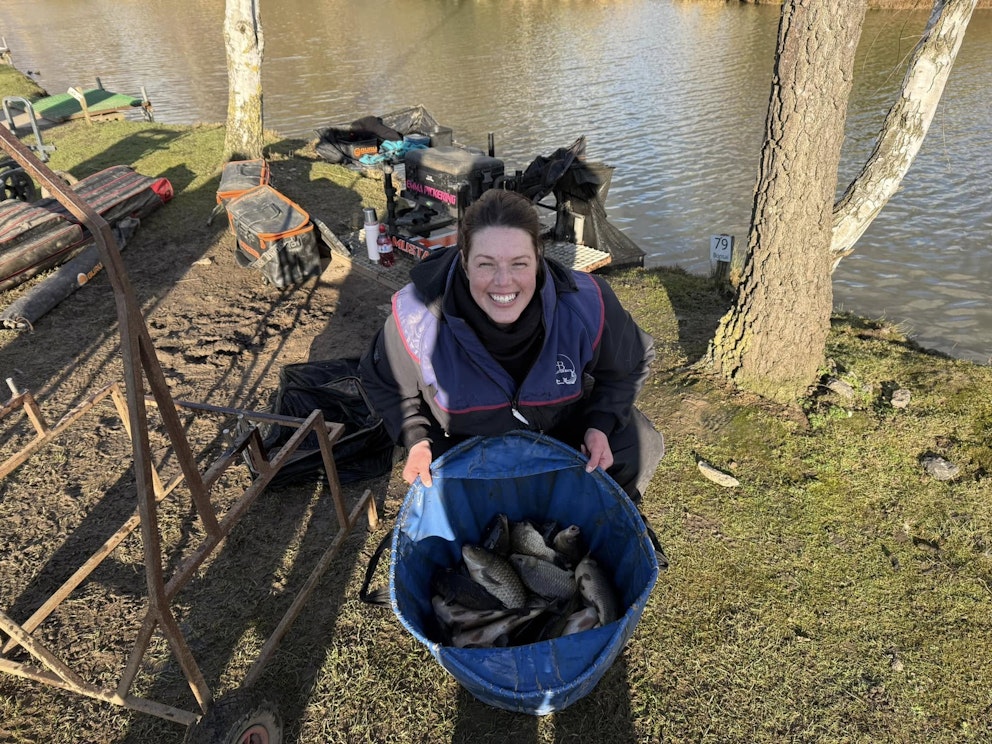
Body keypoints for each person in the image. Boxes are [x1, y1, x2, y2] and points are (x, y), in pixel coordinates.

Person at [358, 188, 664, 500]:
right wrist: (417, 438)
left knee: (639, 442)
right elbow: (381, 381)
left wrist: (600, 423)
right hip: (469, 448)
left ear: (538, 258)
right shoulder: (414, 316)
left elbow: (633, 362)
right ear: (464, 261)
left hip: (559, 433)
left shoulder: (588, 304)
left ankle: (583, 512)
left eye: (519, 263)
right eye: (486, 264)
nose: (503, 281)